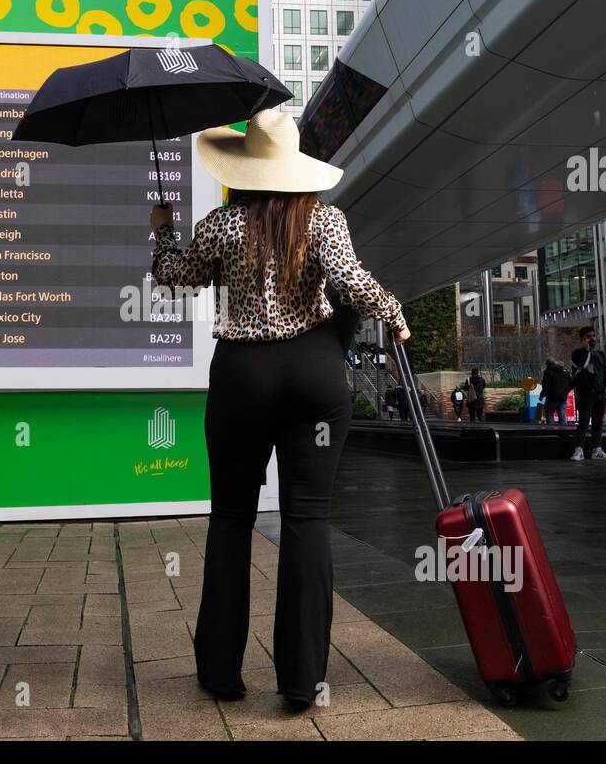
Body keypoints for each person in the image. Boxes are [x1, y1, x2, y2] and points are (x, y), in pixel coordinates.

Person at [149, 107, 410, 709]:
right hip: (313, 376)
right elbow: (349, 285)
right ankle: (301, 680)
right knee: (308, 519)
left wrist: (162, 228)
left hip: (242, 376)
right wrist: (391, 312)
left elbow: (172, 277)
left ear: (244, 170)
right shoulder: (325, 220)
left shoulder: (220, 225)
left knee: (232, 519)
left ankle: (220, 672)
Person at [569, 326, 606, 460]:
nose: (592, 338)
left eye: (594, 336)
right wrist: (587, 350)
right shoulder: (577, 354)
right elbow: (581, 365)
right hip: (586, 394)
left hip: (600, 393)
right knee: (583, 422)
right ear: (582, 339)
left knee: (597, 423)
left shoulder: (601, 354)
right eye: (588, 336)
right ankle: (579, 450)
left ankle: (597, 450)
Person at [540, 358, 572, 426]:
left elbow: (547, 387)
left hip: (552, 398)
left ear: (548, 365)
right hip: (563, 398)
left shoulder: (549, 373)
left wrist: (542, 395)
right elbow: (571, 384)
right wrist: (565, 391)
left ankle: (551, 431)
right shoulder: (566, 372)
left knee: (549, 414)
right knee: (562, 416)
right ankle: (564, 432)